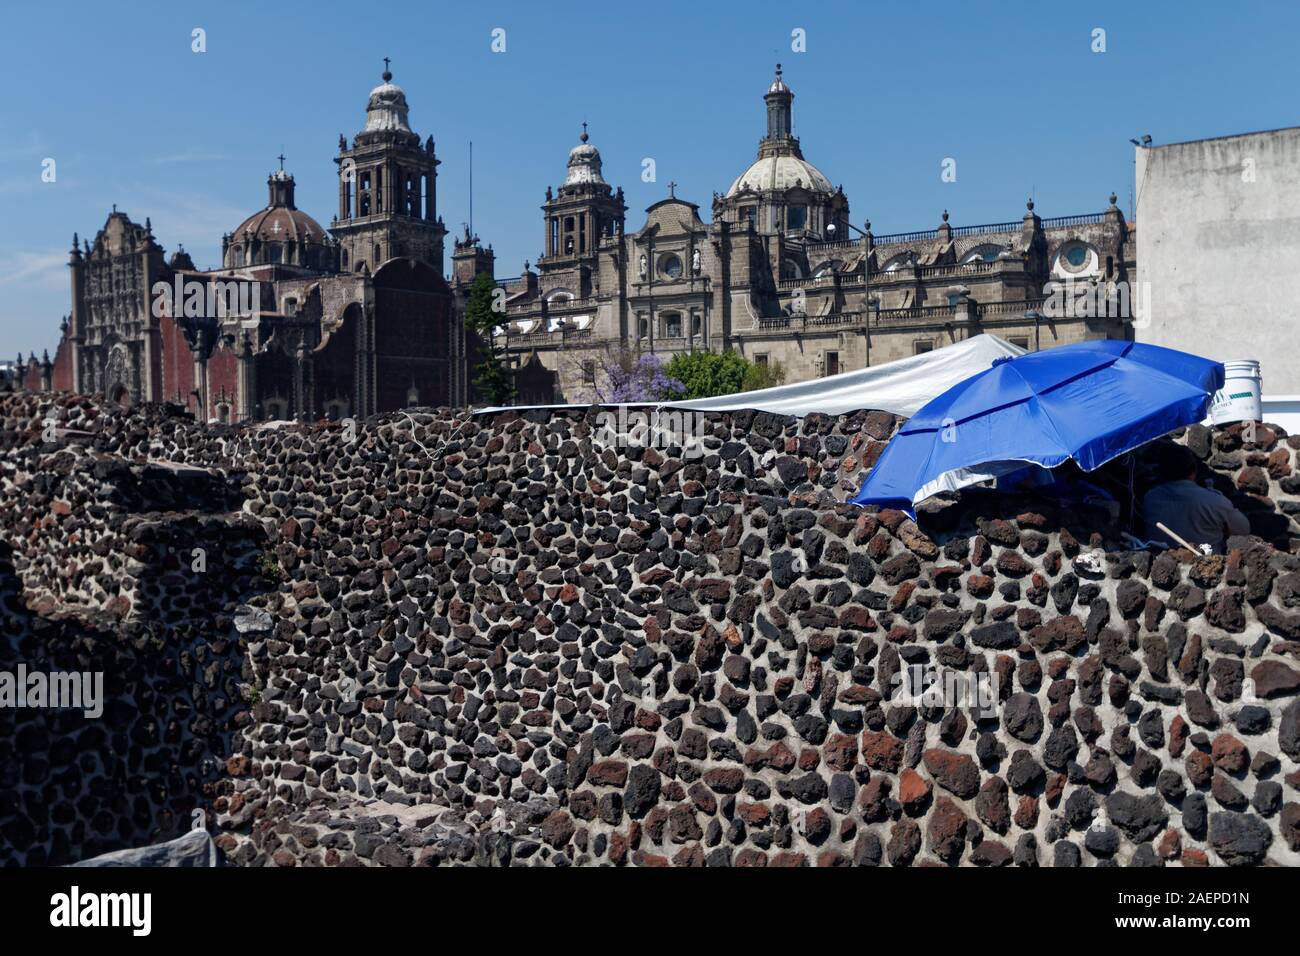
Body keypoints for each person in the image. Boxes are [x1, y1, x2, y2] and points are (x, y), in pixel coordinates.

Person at [1142, 444, 1249, 553]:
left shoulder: (1150, 498)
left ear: (1161, 472)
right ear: (1193, 471)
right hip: (1206, 561)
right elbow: (1243, 529)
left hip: (1162, 561)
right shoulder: (1214, 501)